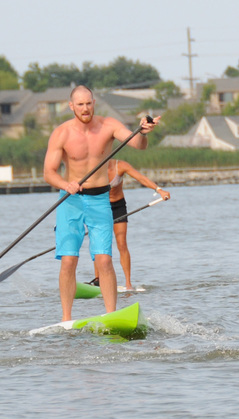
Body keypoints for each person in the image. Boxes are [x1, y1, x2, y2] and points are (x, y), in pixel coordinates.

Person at [43, 85, 159, 321]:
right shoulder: (62, 133)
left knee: (104, 259)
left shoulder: (108, 125)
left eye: (89, 103)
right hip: (70, 201)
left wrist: (143, 132)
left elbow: (138, 145)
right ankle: (66, 320)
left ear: (94, 103)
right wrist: (66, 185)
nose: (85, 108)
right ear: (71, 106)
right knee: (68, 260)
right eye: (80, 104)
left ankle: (111, 316)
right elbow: (48, 173)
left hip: (99, 200)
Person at [87, 160, 171, 290]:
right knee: (99, 244)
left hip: (118, 206)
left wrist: (159, 190)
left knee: (121, 243)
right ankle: (98, 281)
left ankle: (128, 283)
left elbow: (140, 177)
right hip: (100, 208)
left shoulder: (119, 166)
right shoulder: (93, 168)